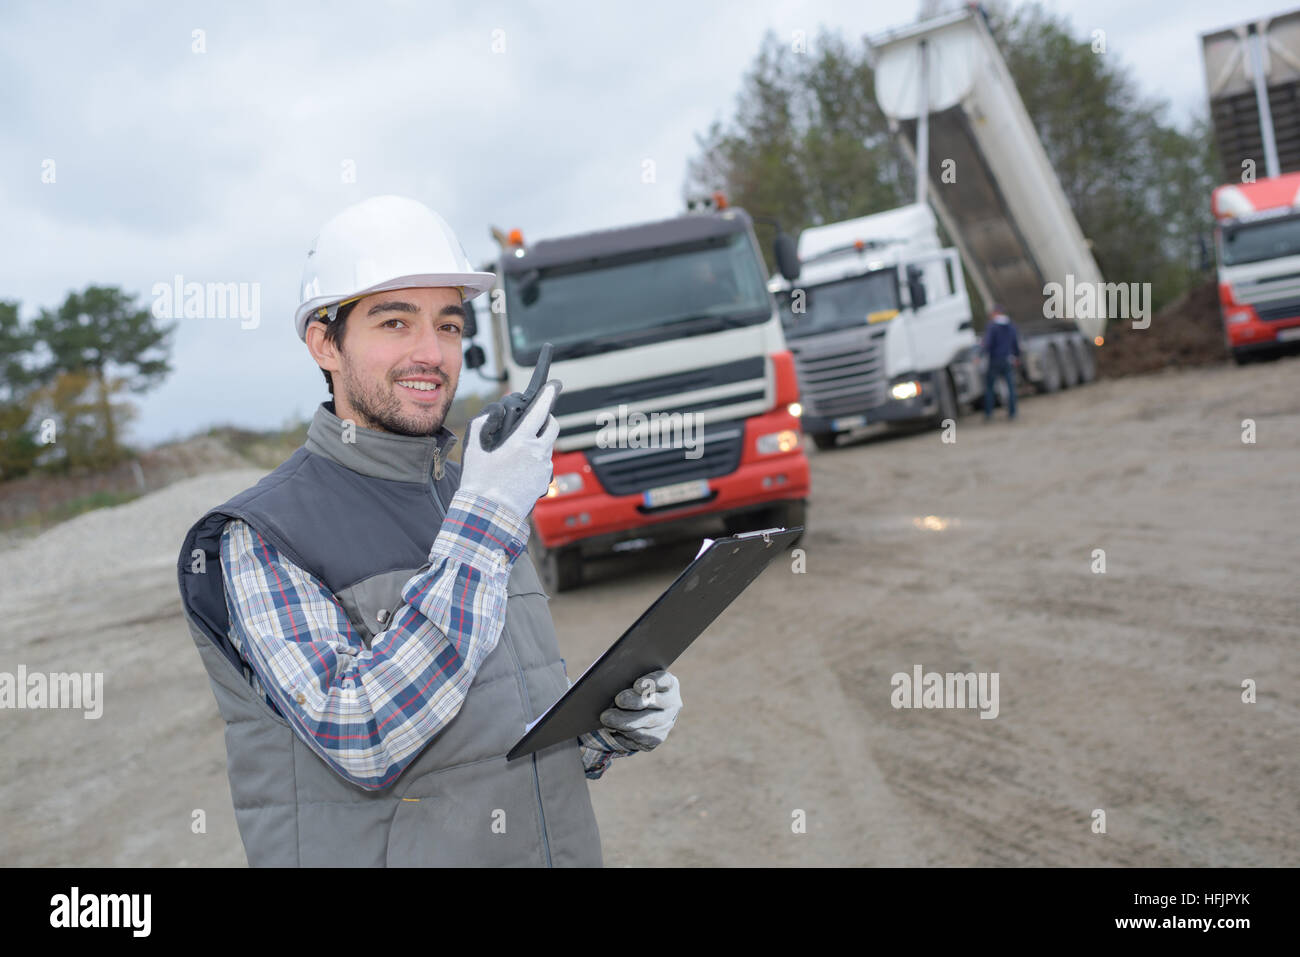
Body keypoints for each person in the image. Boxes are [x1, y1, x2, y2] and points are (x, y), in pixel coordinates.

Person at [176, 195, 682, 867]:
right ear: (324, 343)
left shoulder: (470, 495)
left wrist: (602, 729)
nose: (432, 352)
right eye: (394, 322)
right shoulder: (262, 534)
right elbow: (365, 733)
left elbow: (487, 735)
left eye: (448, 325)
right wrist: (489, 518)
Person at [982, 303, 1021, 420]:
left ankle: (989, 413)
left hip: (995, 360)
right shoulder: (1011, 325)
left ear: (995, 313)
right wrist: (1017, 357)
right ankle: (1012, 413)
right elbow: (1015, 343)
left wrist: (980, 354)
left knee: (989, 387)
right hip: (1008, 360)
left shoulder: (992, 326)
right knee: (1010, 387)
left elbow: (988, 344)